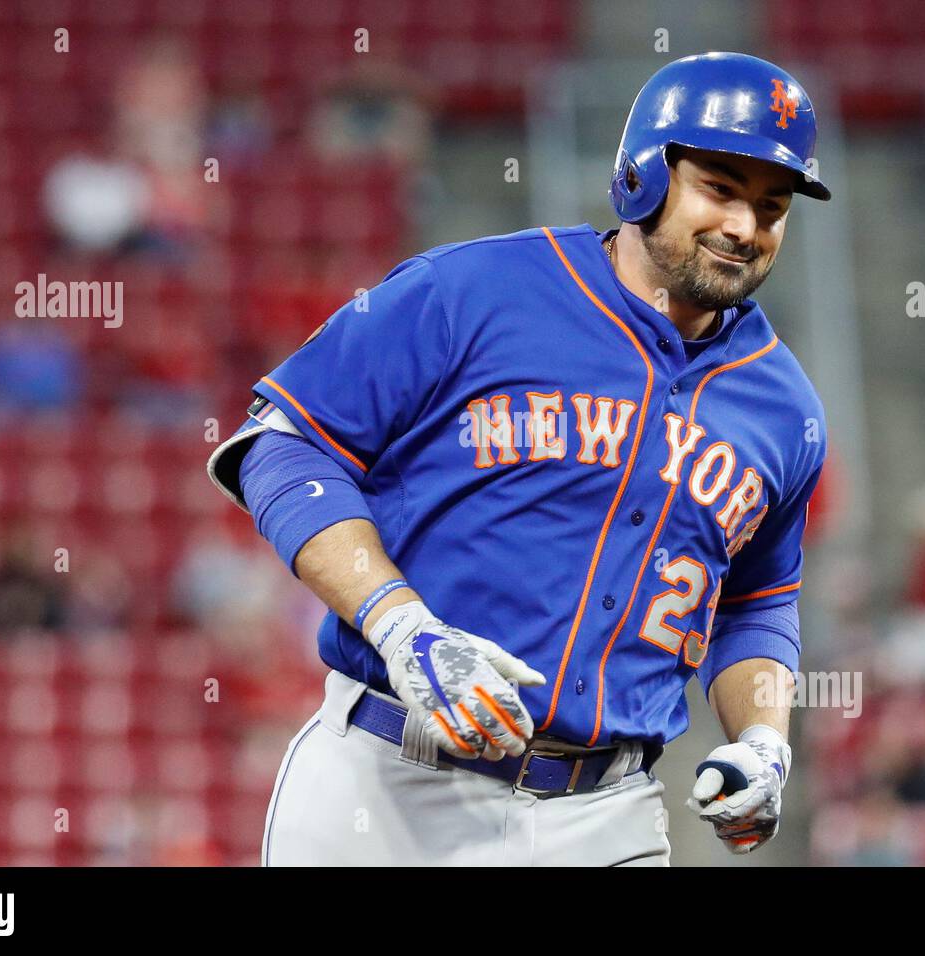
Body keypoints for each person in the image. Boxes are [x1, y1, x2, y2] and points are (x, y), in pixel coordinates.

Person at [207, 53, 830, 866]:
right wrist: (405, 630)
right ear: (644, 172)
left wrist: (763, 743)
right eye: (719, 189)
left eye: (771, 207)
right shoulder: (471, 291)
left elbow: (756, 605)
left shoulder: (786, 411)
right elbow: (283, 448)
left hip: (605, 815)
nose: (745, 228)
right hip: (388, 783)